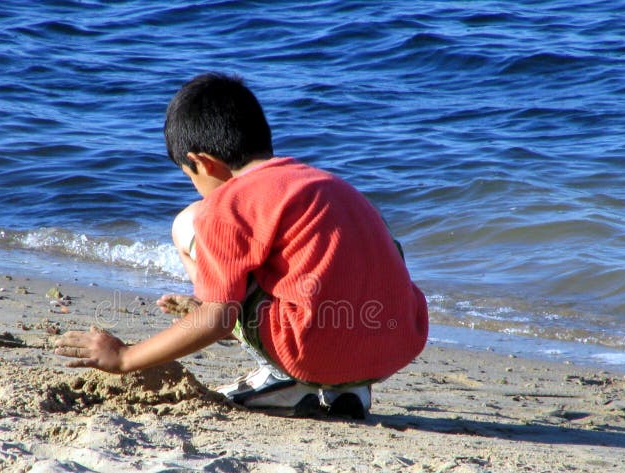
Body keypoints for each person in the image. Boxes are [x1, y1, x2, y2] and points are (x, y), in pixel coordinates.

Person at [55, 73, 428, 419]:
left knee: (186, 222)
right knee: (358, 246)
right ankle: (352, 388)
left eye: (190, 177)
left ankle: (287, 381)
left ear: (203, 163)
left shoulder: (227, 204)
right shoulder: (332, 185)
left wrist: (123, 357)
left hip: (312, 353)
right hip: (396, 342)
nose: (195, 186)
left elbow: (219, 322)